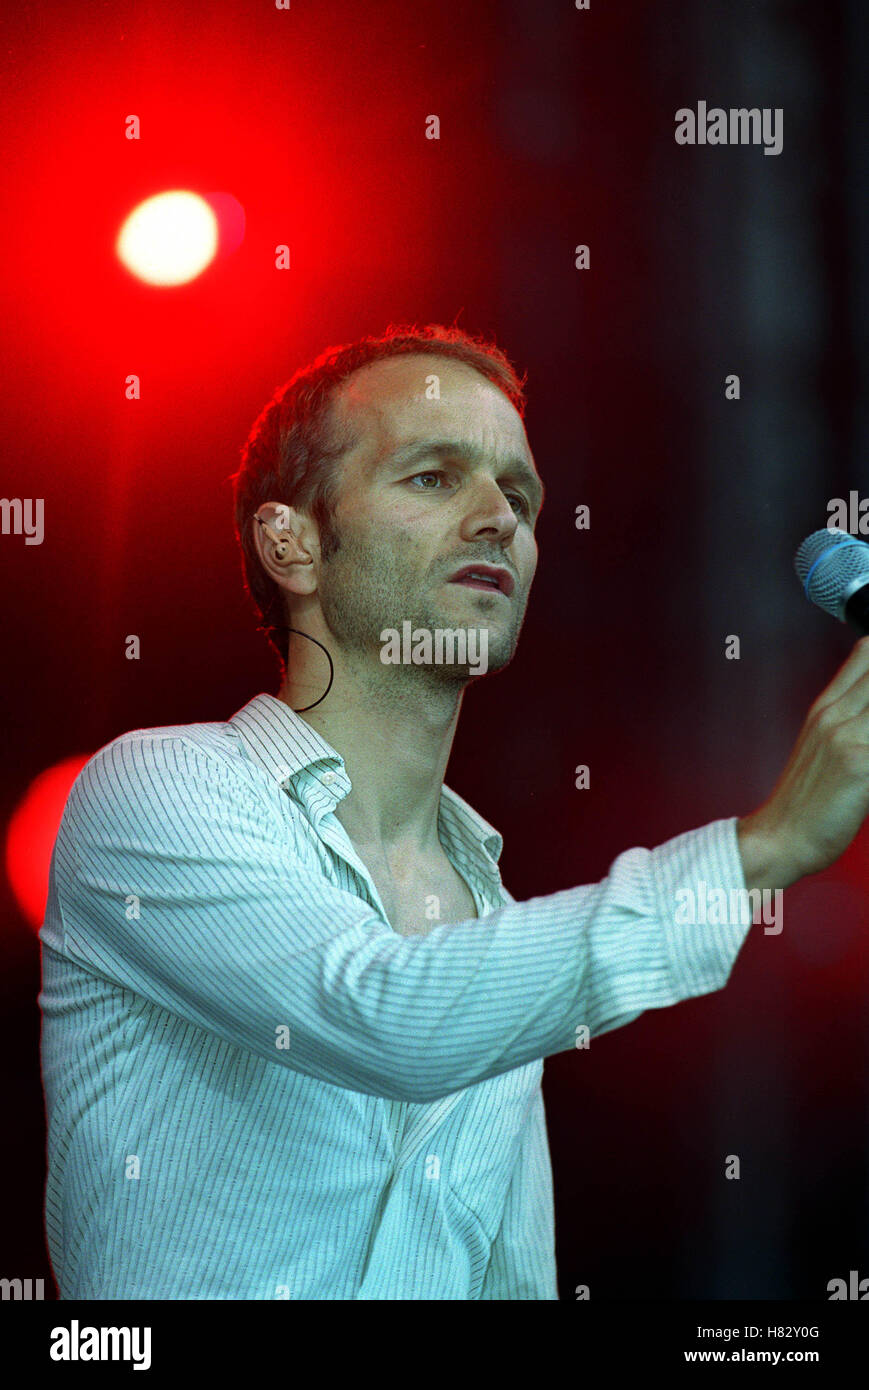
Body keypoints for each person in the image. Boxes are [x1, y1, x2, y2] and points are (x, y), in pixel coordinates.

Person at [38, 323, 869, 1299]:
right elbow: (387, 1014)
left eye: (518, 495)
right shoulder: (158, 789)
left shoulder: (492, 920)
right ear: (291, 542)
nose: (497, 519)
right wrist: (760, 848)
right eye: (434, 477)